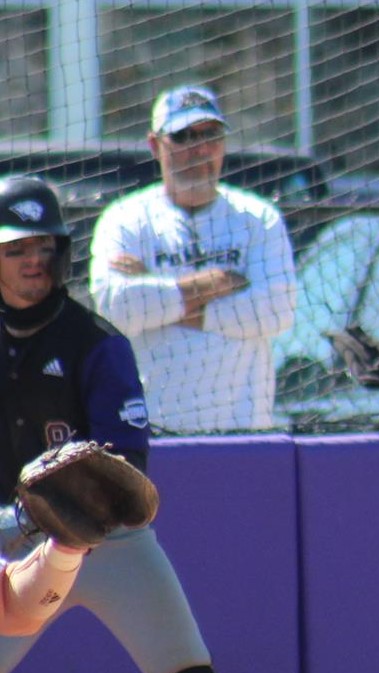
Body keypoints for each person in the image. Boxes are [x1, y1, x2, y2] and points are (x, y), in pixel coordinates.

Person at [0, 175, 293, 673]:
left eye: (44, 245)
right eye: (17, 248)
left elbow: (123, 463)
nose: (33, 259)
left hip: (104, 539)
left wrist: (52, 508)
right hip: (15, 545)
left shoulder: (95, 341)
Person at [89, 85, 296, 433]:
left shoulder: (258, 218)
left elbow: (276, 311)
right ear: (155, 145)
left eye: (211, 135)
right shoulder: (125, 219)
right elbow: (115, 308)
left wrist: (155, 290)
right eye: (183, 137)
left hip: (244, 431)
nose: (200, 149)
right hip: (152, 433)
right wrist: (215, 284)